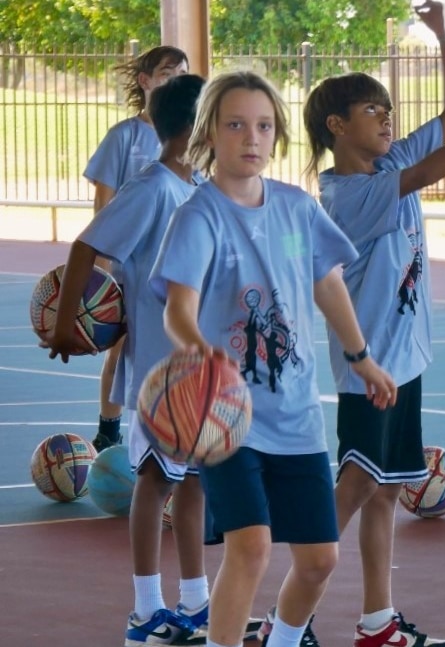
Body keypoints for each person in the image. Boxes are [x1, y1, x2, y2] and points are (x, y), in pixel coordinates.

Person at [298, 3, 445, 646]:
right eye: (372, 111)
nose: (387, 117)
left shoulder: (381, 167)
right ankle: (284, 622)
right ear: (336, 126)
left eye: (387, 109)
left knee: (380, 495)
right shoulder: (351, 195)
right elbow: (443, 160)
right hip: (369, 369)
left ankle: (377, 621)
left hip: (403, 365)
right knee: (350, 492)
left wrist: (442, 35)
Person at [149, 70, 398, 647]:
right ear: (210, 132)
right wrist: (199, 348)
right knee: (252, 546)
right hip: (228, 418)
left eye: (263, 126)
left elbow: (328, 284)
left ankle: (281, 641)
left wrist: (362, 357)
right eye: (235, 125)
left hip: (297, 417)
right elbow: (176, 309)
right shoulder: (199, 215)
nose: (250, 138)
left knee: (318, 560)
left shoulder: (294, 208)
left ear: (277, 134)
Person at [44, 73, 243, 647]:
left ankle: (196, 603)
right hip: (162, 370)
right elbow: (88, 245)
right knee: (156, 481)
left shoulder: (199, 187)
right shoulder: (154, 187)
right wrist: (65, 325)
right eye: (227, 120)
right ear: (201, 126)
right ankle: (145, 609)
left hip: (201, 368)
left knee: (196, 484)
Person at [84, 45, 190, 454]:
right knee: (122, 347)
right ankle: (109, 429)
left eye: (182, 72)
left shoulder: (188, 137)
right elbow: (104, 205)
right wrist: (105, 266)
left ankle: (164, 439)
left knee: (169, 352)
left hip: (173, 269)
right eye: (167, 72)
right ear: (145, 80)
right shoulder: (125, 136)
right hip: (129, 262)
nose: (175, 79)